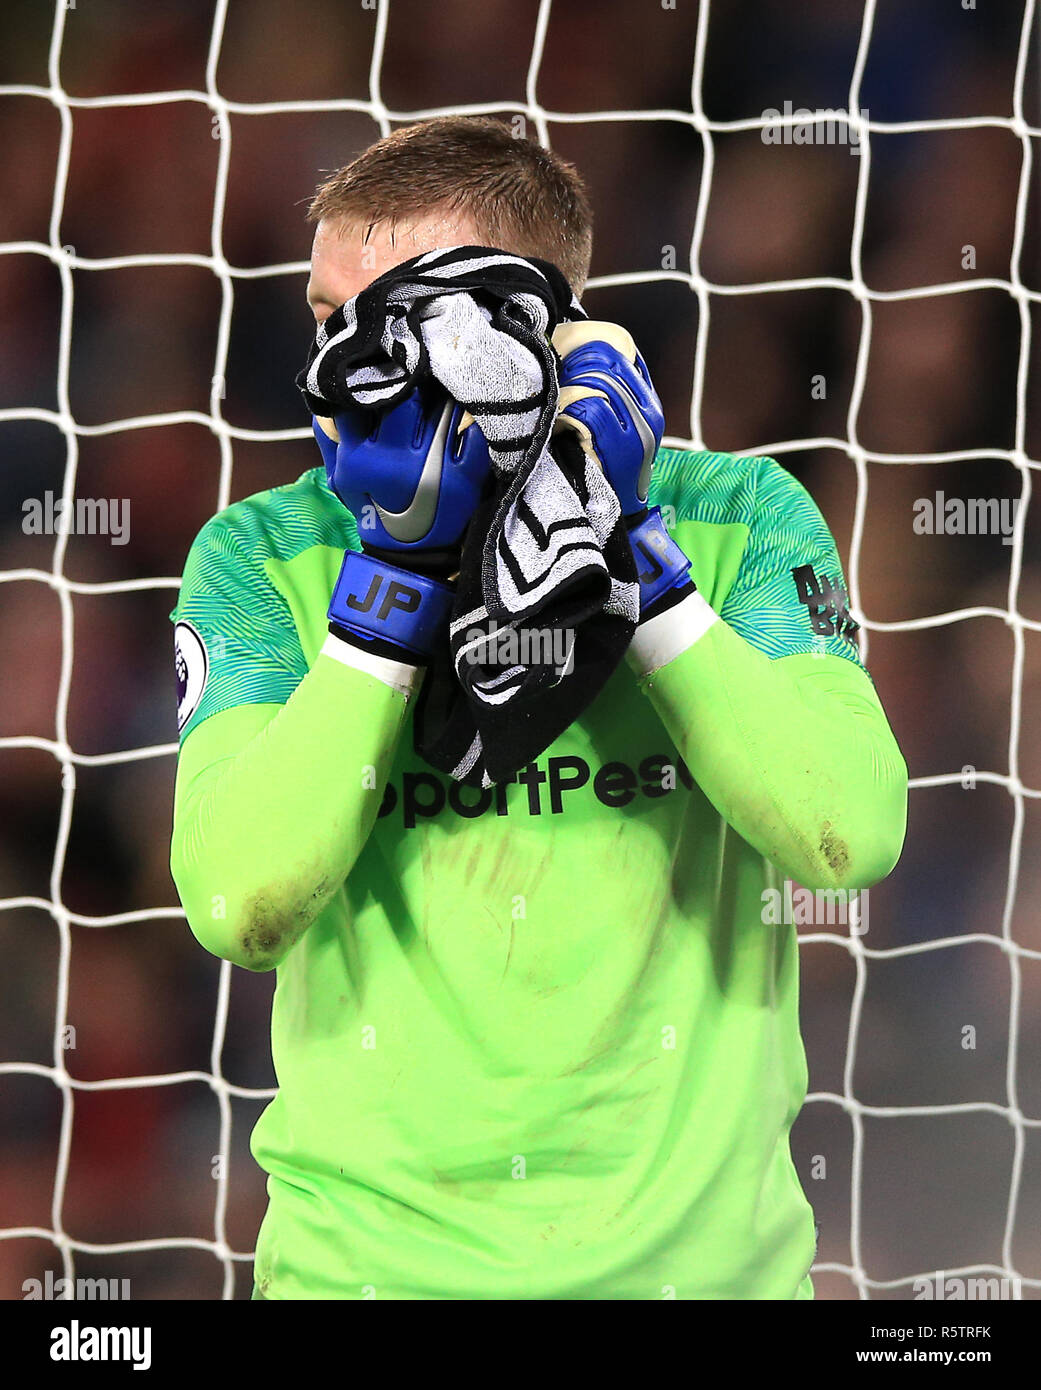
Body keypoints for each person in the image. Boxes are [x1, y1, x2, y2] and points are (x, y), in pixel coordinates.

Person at [169, 116, 907, 1300]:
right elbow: (237, 902)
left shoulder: (739, 518)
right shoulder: (260, 555)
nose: (333, 373)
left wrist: (632, 556)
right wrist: (393, 580)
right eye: (321, 319)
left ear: (529, 334)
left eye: (387, 325)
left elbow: (849, 833)